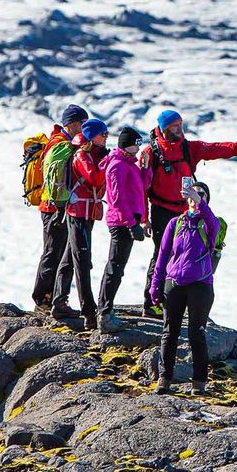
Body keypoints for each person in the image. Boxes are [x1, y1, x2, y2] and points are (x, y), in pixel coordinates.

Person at [139, 109, 237, 316]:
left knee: (183, 256)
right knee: (161, 255)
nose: (180, 129)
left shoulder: (188, 148)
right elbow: (142, 188)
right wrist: (144, 219)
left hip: (186, 212)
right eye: (175, 126)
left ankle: (171, 302)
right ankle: (151, 302)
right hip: (161, 211)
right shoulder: (150, 153)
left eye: (180, 124)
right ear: (164, 128)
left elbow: (213, 149)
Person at [148, 181, 219, 394]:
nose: (196, 196)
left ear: (207, 199)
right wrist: (155, 286)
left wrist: (201, 204)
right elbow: (162, 256)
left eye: (201, 194)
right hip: (174, 283)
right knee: (169, 333)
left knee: (196, 333)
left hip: (200, 286)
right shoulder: (175, 223)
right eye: (193, 193)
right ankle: (164, 379)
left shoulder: (210, 223)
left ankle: (199, 383)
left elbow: (213, 223)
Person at [51, 117, 109, 328]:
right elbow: (94, 179)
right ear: (93, 135)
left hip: (85, 213)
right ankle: (89, 312)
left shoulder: (92, 153)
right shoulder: (82, 155)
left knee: (70, 257)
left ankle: (58, 302)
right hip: (78, 214)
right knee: (82, 261)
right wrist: (106, 162)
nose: (106, 138)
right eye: (103, 134)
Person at [32, 103, 88, 312]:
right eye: (82, 123)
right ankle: (43, 299)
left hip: (57, 206)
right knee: (53, 252)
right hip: (54, 207)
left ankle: (53, 298)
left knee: (59, 252)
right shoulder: (61, 144)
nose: (85, 127)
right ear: (71, 124)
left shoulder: (62, 141)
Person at [97, 126, 152, 332]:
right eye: (136, 144)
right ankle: (104, 313)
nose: (139, 148)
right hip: (121, 223)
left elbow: (144, 185)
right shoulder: (117, 166)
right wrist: (131, 225)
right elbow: (117, 200)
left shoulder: (129, 164)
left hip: (128, 221)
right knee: (115, 267)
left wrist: (145, 167)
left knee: (117, 267)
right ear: (127, 145)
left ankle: (106, 311)